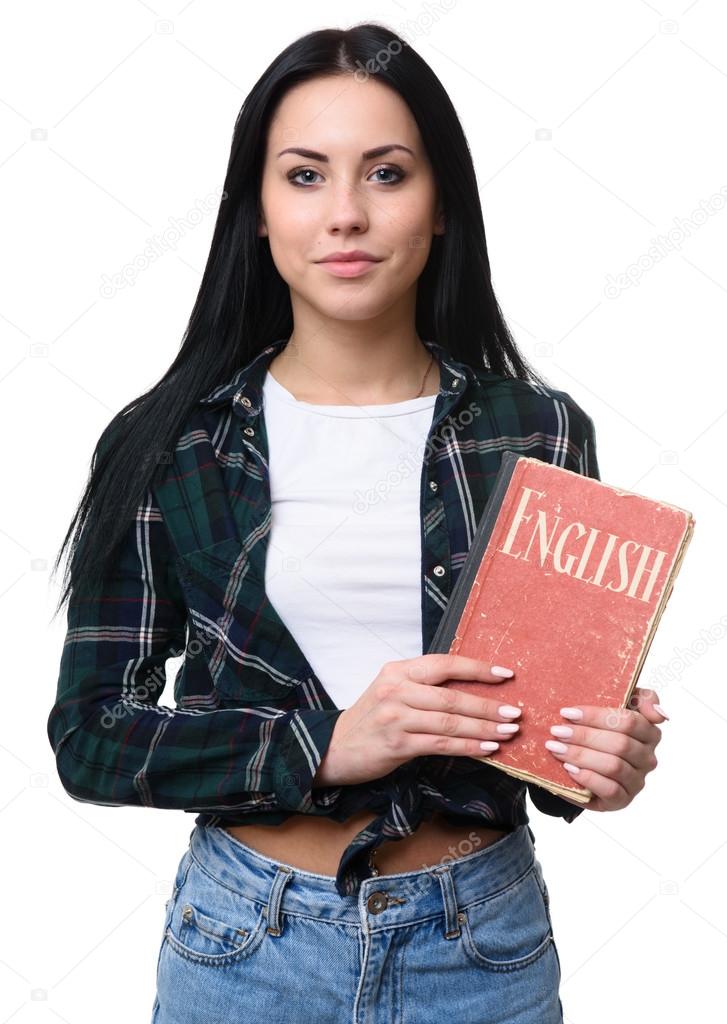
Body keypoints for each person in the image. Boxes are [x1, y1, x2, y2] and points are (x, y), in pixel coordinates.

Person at [46, 23, 666, 1024]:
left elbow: (551, 751)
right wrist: (322, 745)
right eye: (303, 176)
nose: (345, 214)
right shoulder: (170, 445)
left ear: (441, 209)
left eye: (385, 173)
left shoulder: (536, 431)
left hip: (481, 945)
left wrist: (601, 764)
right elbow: (92, 737)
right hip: (249, 946)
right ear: (254, 210)